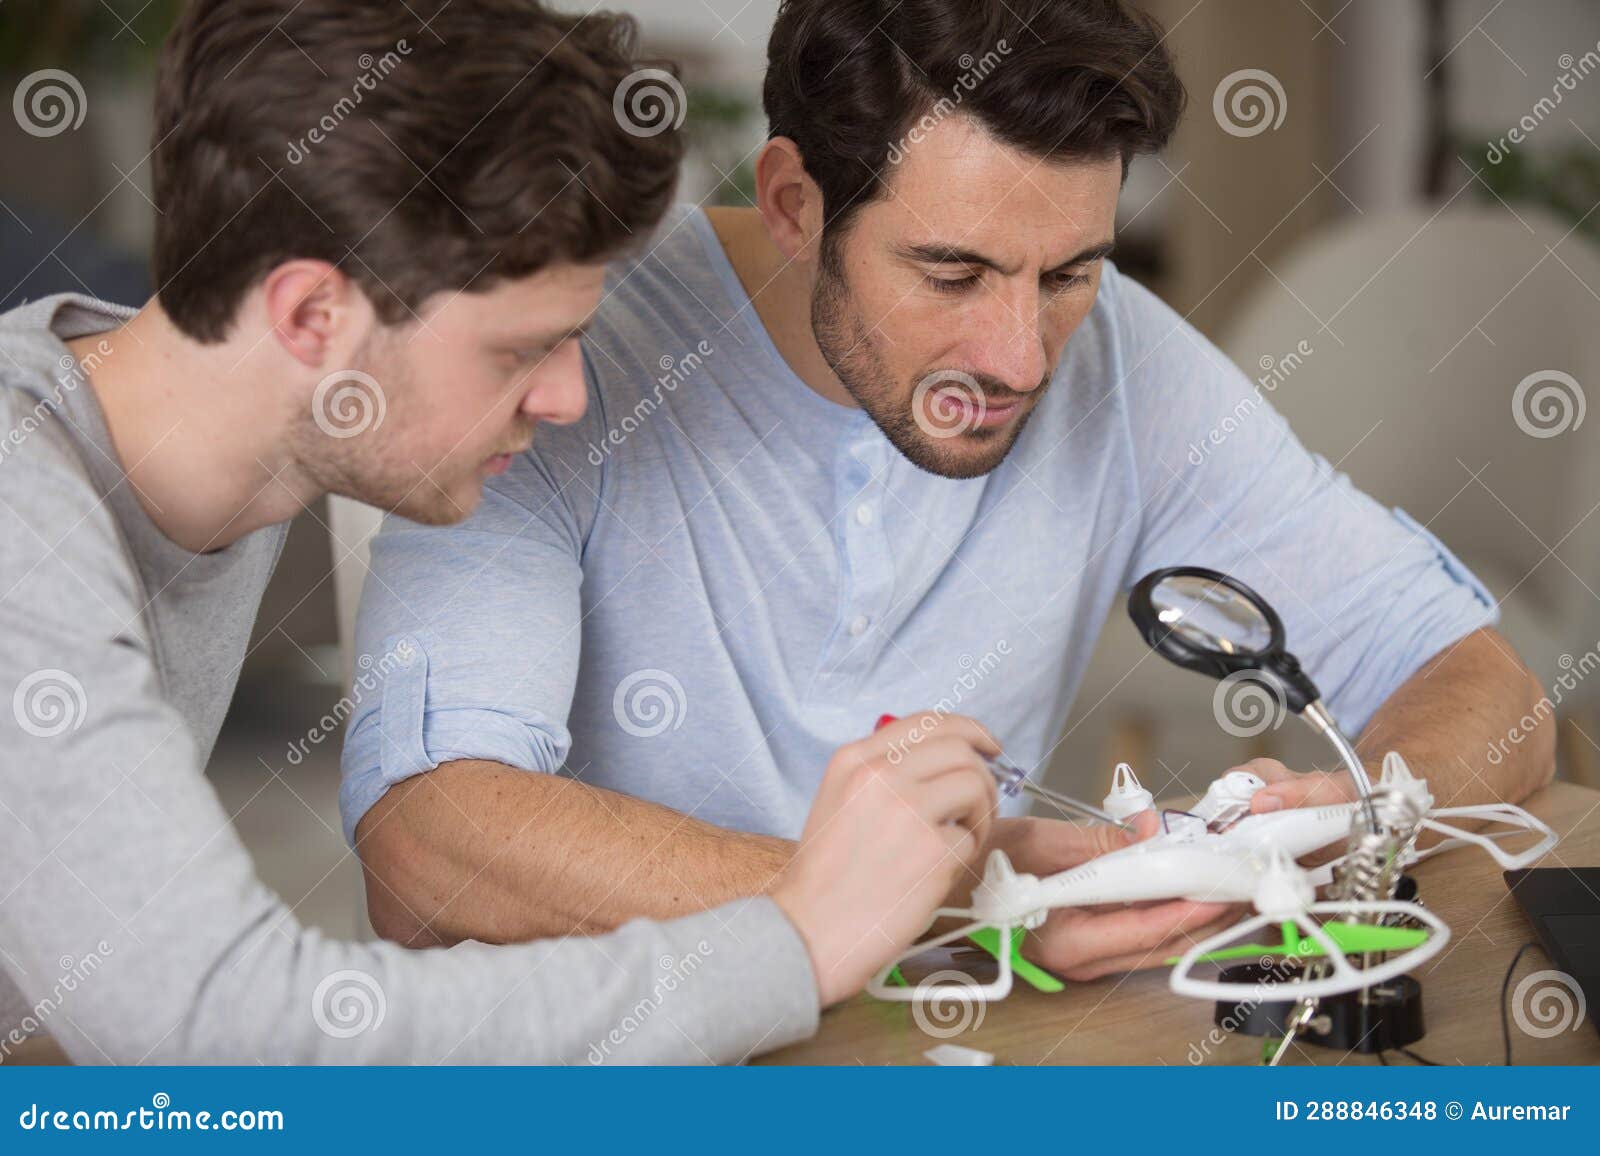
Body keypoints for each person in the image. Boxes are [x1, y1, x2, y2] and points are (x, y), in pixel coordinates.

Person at [343, 0, 1555, 978]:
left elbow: (1485, 688)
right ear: (793, 204)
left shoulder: (1121, 357)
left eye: (1070, 270)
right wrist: (979, 899)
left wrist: (1346, 810)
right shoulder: (562, 364)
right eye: (952, 271)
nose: (1021, 358)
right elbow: (427, 843)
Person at [0, 0, 1005, 1065]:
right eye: (521, 349)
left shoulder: (181, 459)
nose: (569, 395)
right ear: (307, 319)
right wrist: (796, 943)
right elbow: (228, 1029)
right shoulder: (21, 507)